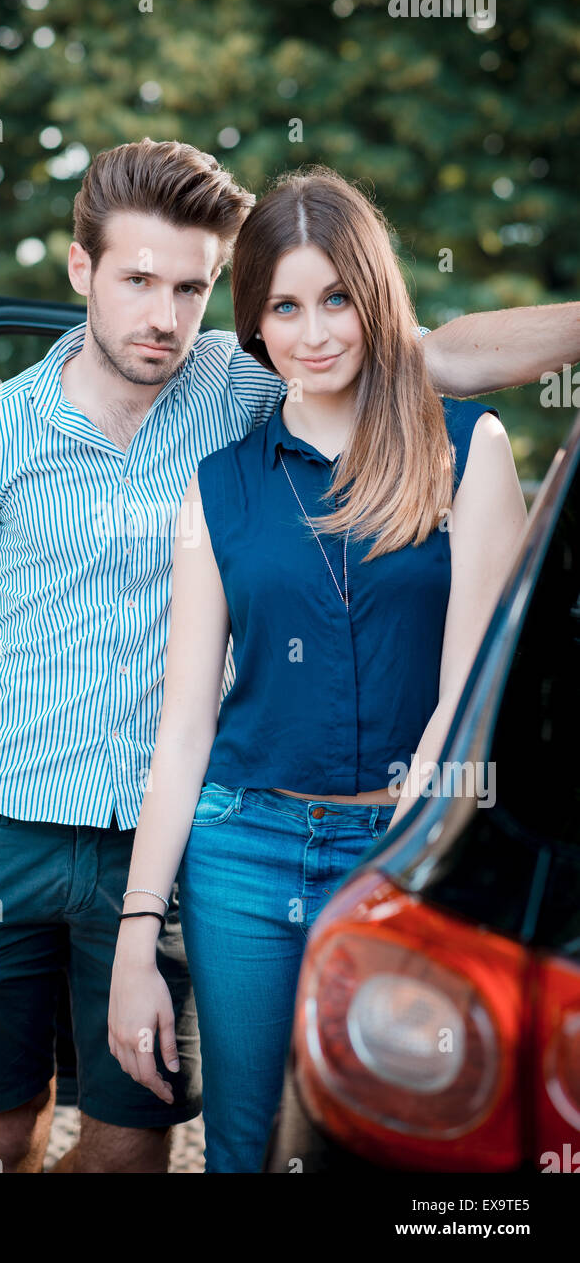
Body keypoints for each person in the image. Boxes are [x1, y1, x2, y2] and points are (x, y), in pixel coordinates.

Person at [0, 138, 577, 1174]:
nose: (163, 314)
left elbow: (442, 359)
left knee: (151, 1144)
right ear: (83, 273)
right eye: (137, 281)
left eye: (190, 287)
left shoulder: (298, 396)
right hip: (53, 830)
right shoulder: (7, 442)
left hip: (268, 837)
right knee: (13, 1133)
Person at [107, 164, 528, 1173]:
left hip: (404, 853)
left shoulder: (470, 451)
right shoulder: (219, 488)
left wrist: (416, 844)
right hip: (241, 854)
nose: (316, 331)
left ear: (376, 296)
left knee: (400, 1147)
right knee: (243, 1147)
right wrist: (135, 939)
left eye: (338, 297)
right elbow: (186, 726)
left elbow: (471, 704)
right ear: (254, 325)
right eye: (285, 307)